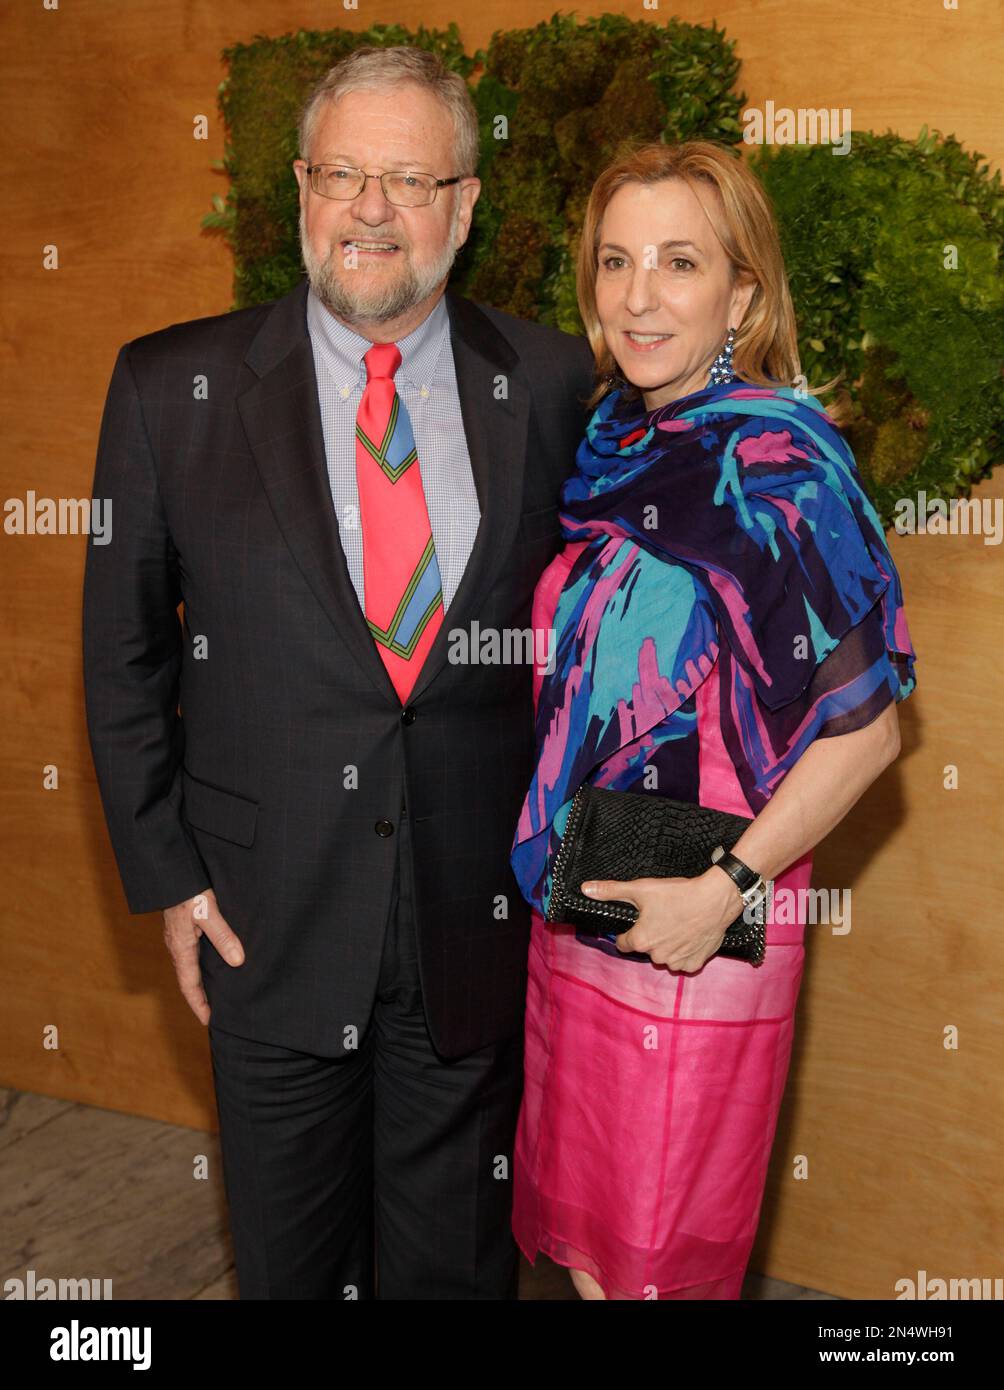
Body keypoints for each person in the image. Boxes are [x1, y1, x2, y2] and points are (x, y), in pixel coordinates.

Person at [82, 44, 594, 1299]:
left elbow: (593, 644)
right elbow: (123, 651)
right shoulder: (170, 388)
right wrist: (169, 878)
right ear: (301, 189)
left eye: (409, 179)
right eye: (344, 174)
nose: (372, 209)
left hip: (474, 926)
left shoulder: (550, 381)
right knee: (289, 1270)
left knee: (455, 1273)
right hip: (269, 923)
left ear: (462, 208)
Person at [509, 140, 918, 1300]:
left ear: (741, 290)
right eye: (614, 261)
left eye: (678, 262)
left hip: (702, 914)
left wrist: (721, 887)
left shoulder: (782, 463)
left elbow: (867, 732)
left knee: (655, 1264)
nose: (638, 296)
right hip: (589, 890)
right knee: (592, 1253)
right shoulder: (608, 442)